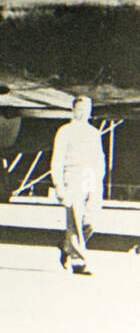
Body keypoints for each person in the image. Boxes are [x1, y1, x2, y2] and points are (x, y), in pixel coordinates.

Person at [50, 96, 106, 275]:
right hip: (72, 175)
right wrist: (58, 183)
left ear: (90, 112)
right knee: (74, 219)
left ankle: (67, 246)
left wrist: (99, 179)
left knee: (91, 222)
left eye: (86, 109)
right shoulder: (65, 131)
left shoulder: (94, 133)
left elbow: (100, 158)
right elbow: (57, 159)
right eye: (80, 109)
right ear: (73, 110)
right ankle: (78, 262)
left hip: (91, 177)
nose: (83, 113)